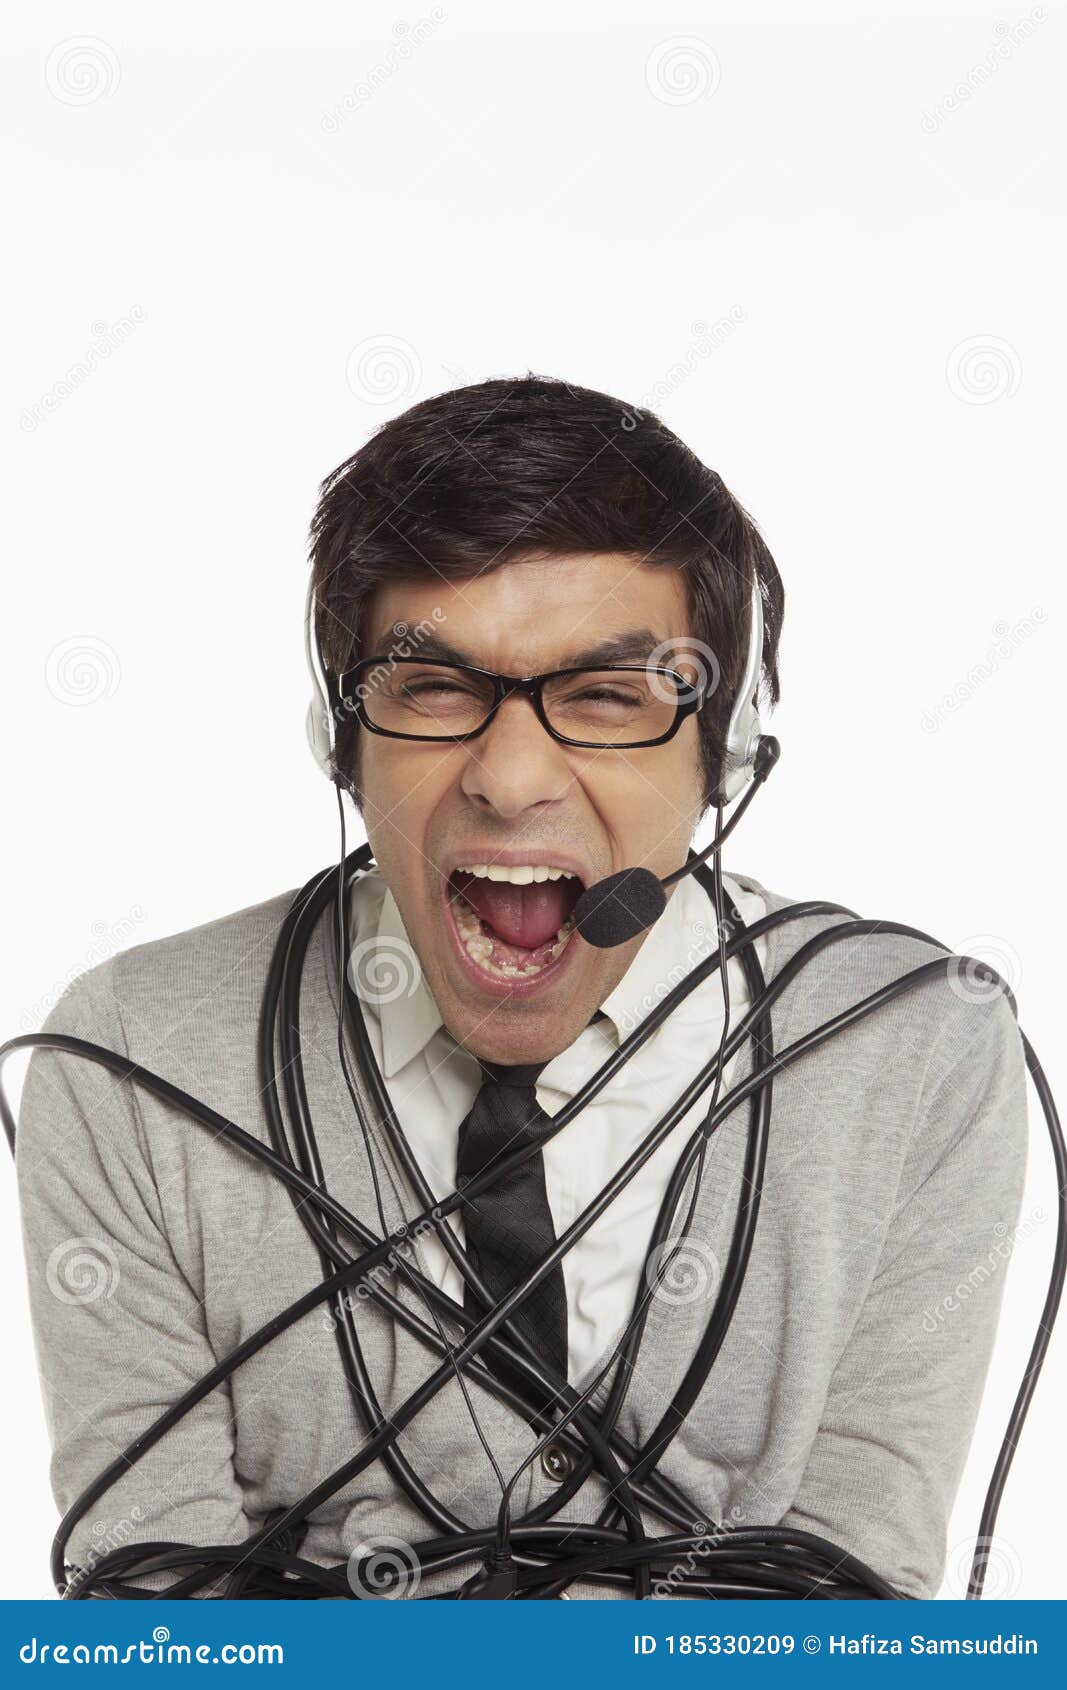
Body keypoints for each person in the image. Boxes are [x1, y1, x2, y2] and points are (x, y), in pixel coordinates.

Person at [15, 375, 1027, 1599]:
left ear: (727, 755)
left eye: (604, 697)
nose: (508, 776)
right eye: (434, 690)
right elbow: (158, 1636)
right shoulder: (135, 1060)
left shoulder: (910, 1047)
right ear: (341, 738)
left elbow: (834, 1620)